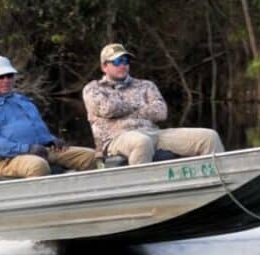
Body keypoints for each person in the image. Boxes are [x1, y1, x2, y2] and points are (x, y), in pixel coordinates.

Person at [82, 43, 223, 165]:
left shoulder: (145, 85)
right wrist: (140, 106)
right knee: (141, 142)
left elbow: (161, 112)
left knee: (209, 137)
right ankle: (140, 189)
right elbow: (108, 109)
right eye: (117, 61)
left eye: (126, 61)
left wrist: (125, 107)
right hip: (115, 139)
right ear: (104, 66)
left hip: (153, 132)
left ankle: (219, 179)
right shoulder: (93, 88)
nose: (123, 65)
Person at [0, 56, 97, 178]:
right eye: (0, 76)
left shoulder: (22, 100)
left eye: (10, 75)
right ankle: (45, 200)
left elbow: (38, 130)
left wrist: (50, 140)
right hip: (7, 160)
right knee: (37, 166)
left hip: (41, 151)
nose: (6, 80)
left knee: (89, 156)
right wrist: (26, 149)